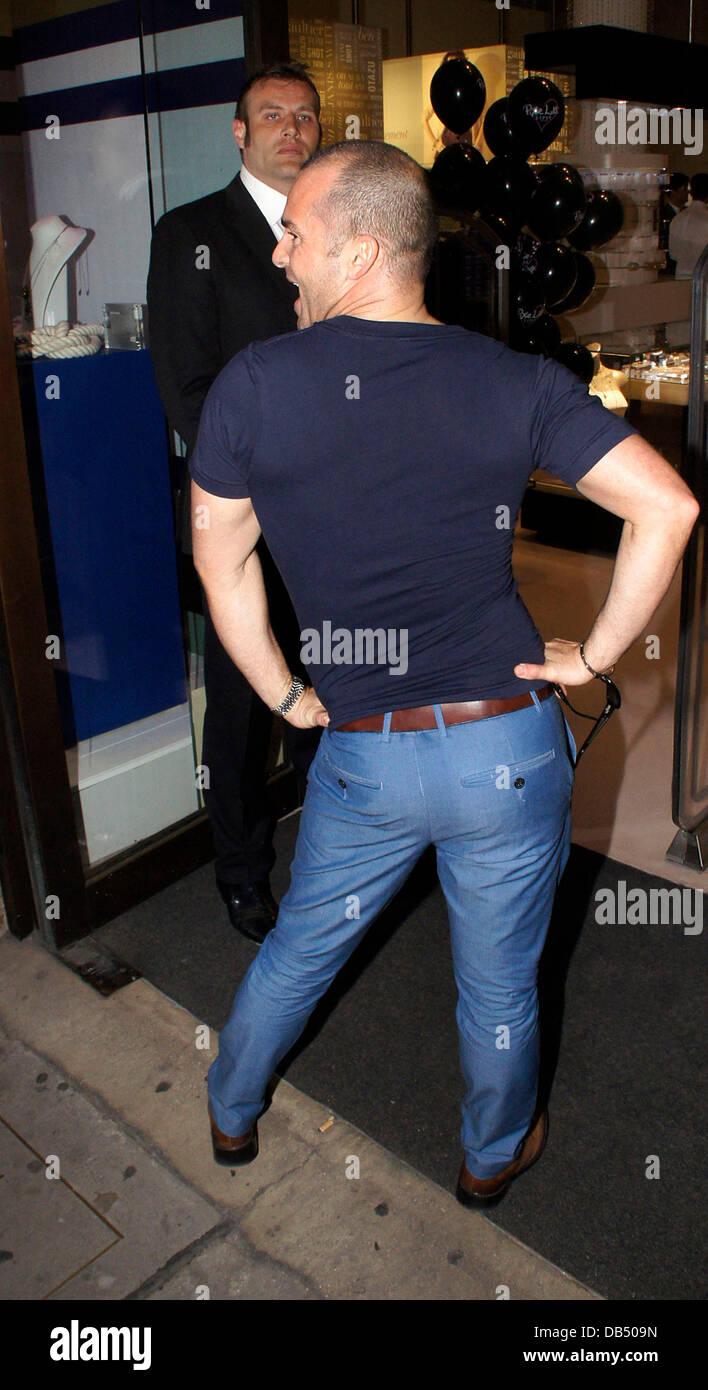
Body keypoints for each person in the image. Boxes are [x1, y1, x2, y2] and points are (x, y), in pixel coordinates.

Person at [190, 141, 699, 1205]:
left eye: (296, 235)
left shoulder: (252, 385)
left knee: (298, 950)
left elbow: (220, 560)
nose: (279, 256)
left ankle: (231, 1112)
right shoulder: (514, 378)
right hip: (505, 742)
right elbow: (670, 505)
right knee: (500, 981)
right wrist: (595, 656)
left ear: (363, 249)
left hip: (364, 755)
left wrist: (289, 695)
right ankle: (488, 1156)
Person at [147, 63, 322, 944]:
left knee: (336, 684)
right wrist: (268, 479)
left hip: (338, 511)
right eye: (271, 115)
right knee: (248, 700)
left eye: (304, 115)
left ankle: (334, 851)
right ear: (239, 132)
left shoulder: (336, 230)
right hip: (246, 513)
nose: (291, 128)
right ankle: (243, 872)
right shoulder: (191, 234)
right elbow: (187, 389)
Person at [669, 171, 708, 280]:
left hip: (680, 277)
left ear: (691, 193)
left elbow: (673, 254)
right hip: (703, 279)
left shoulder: (678, 218)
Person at [660, 172, 689, 275]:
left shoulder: (688, 212)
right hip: (670, 267)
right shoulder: (662, 215)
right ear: (673, 191)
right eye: (684, 189)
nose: (688, 193)